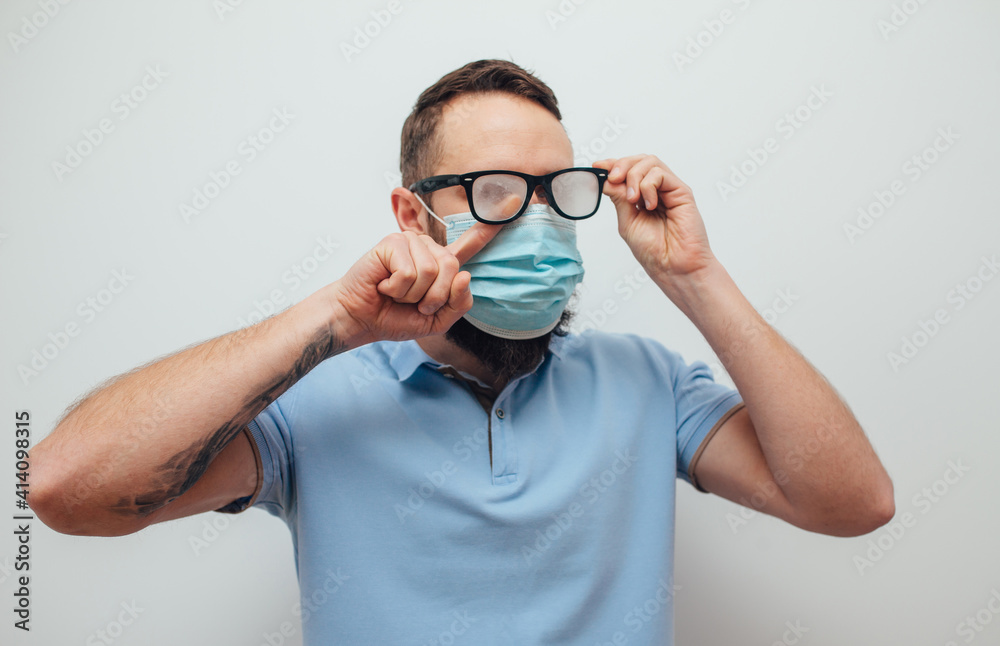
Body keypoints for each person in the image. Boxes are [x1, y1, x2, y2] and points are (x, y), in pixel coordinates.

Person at [30, 59, 895, 644]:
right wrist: (333, 318)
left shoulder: (649, 383)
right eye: (494, 194)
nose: (538, 222)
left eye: (559, 194)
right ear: (415, 217)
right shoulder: (315, 403)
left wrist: (695, 274)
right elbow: (68, 489)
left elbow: (851, 502)